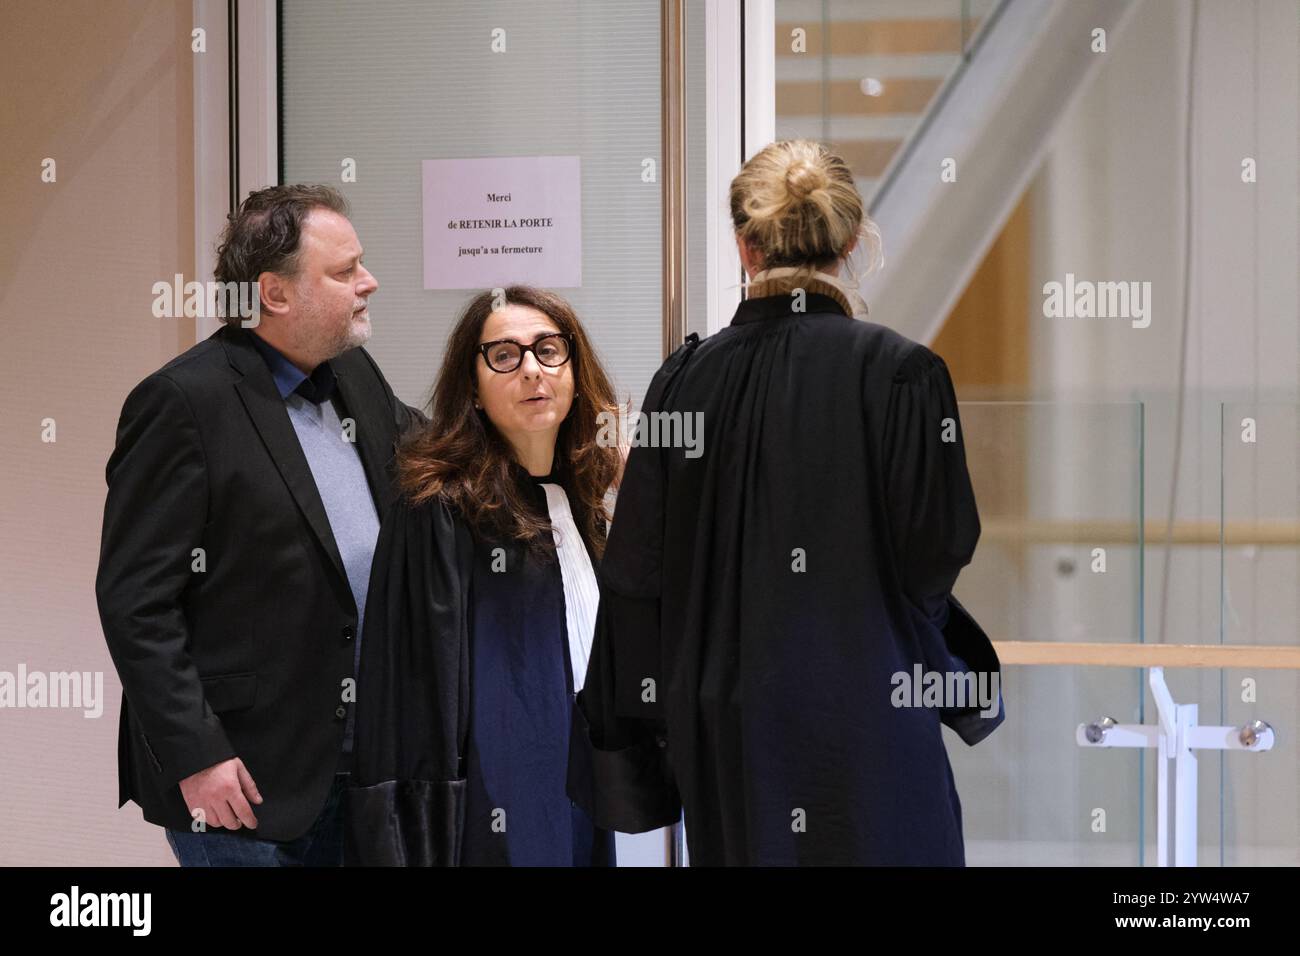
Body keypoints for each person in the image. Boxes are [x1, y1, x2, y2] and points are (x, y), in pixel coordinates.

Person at [568, 139, 1006, 865]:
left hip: (730, 731)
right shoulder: (904, 375)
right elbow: (940, 549)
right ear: (854, 242)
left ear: (745, 248)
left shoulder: (683, 383)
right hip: (871, 711)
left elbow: (637, 570)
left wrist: (638, 729)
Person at [95, 184, 423, 866]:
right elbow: (136, 603)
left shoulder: (353, 373)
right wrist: (197, 754)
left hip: (356, 766)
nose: (370, 282)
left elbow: (433, 456)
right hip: (242, 781)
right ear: (273, 293)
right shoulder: (184, 403)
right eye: (344, 271)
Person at [347, 286, 623, 866]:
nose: (531, 370)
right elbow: (411, 693)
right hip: (485, 802)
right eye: (504, 355)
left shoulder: (580, 502)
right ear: (471, 386)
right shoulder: (436, 506)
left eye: (550, 350)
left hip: (579, 776)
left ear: (575, 371)